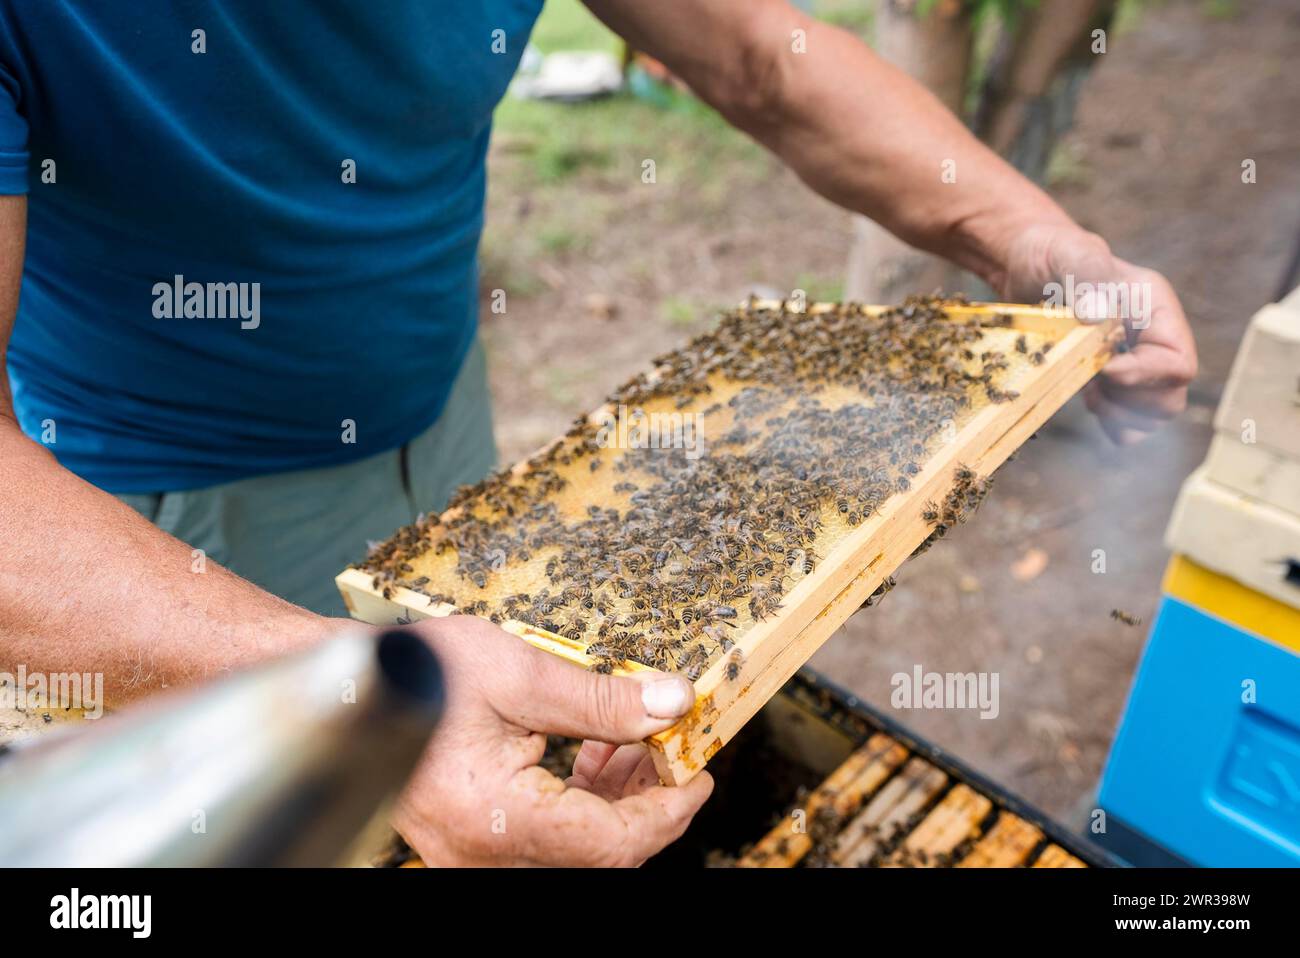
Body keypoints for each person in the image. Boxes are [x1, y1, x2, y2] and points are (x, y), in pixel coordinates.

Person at [0, 1, 1195, 866]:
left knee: (492, 783)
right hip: (140, 534)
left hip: (448, 450)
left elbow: (756, 51)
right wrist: (349, 694)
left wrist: (1024, 238)